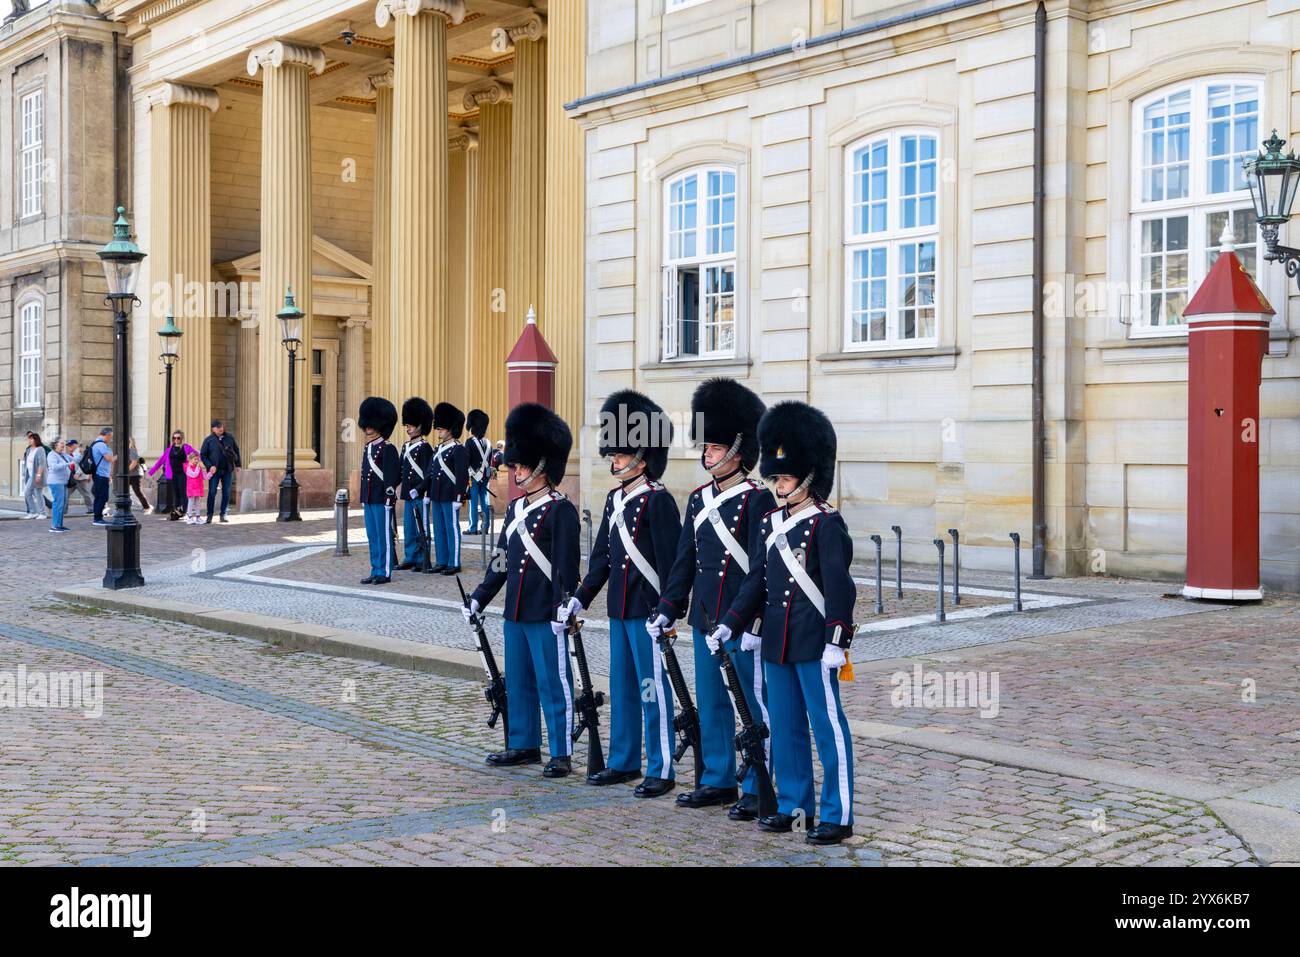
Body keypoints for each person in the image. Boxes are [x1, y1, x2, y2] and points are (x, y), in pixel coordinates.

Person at [708, 401, 857, 846]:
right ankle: (795, 808)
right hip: (776, 641)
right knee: (786, 727)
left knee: (827, 728)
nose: (777, 486)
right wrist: (732, 622)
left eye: (786, 478)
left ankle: (838, 813)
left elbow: (839, 587)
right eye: (775, 478)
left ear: (809, 479)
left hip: (814, 642)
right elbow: (757, 580)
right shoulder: (771, 523)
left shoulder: (828, 524)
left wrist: (838, 638)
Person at [649, 378, 777, 818]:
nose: (707, 454)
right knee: (713, 702)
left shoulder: (760, 500)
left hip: (740, 621)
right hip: (705, 619)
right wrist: (667, 608)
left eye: (715, 447)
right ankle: (718, 778)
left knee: (750, 704)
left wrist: (739, 618)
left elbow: (759, 567)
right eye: (705, 447)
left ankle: (758, 783)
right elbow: (685, 561)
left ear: (738, 451)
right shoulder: (698, 499)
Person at [557, 390, 682, 798]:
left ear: (642, 458)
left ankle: (661, 767)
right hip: (618, 609)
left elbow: (671, 565)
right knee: (625, 687)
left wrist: (667, 611)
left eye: (621, 456)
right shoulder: (614, 499)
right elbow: (601, 561)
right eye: (613, 454)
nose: (613, 461)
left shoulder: (659, 502)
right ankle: (624, 760)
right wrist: (580, 596)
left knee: (652, 689)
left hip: (647, 613)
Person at [464, 403, 580, 777]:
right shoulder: (514, 510)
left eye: (521, 465)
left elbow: (566, 567)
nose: (515, 471)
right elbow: (500, 561)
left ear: (542, 466)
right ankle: (523, 743)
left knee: (552, 682)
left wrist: (566, 607)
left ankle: (560, 751)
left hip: (545, 612)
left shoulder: (561, 510)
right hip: (515, 610)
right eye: (514, 465)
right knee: (518, 681)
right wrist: (480, 596)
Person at [357, 396, 400, 585]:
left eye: (371, 424)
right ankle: (375, 569)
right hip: (369, 497)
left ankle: (385, 571)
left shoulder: (388, 448)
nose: (368, 427)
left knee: (384, 537)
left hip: (382, 499)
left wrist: (390, 498)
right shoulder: (368, 447)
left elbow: (392, 476)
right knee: (372, 536)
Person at [428, 402, 469, 575]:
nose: (438, 430)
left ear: (450, 429)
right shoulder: (438, 449)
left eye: (441, 428)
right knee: (439, 528)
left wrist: (459, 497)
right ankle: (442, 560)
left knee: (452, 529)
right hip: (437, 495)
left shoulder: (458, 449)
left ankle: (454, 561)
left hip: (450, 495)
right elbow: (431, 472)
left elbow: (461, 476)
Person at [396, 398, 434, 571]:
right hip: (408, 493)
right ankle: (410, 556)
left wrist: (420, 490)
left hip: (419, 493)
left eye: (411, 425)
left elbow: (428, 473)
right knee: (409, 527)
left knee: (421, 528)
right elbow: (400, 470)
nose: (408, 428)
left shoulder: (425, 447)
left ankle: (421, 558)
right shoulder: (405, 446)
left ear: (420, 425)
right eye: (407, 425)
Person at [148, 430, 197, 521]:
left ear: (182, 438)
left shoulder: (186, 448)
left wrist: (194, 464)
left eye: (178, 438)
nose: (176, 440)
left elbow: (197, 455)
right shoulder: (170, 449)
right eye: (174, 438)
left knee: (183, 493)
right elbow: (160, 461)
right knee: (176, 493)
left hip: (183, 473)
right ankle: (177, 513)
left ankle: (185, 512)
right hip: (173, 474)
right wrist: (151, 472)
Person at [200, 419, 241, 524]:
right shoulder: (208, 440)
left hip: (227, 469)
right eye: (218, 427)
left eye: (222, 426)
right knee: (212, 492)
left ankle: (223, 514)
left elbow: (236, 451)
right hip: (214, 471)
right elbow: (203, 455)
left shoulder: (230, 437)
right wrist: (209, 466)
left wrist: (238, 465)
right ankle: (209, 515)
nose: (221, 429)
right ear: (213, 429)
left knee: (226, 492)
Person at [465, 409, 492, 534]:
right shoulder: (489, 443)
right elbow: (489, 461)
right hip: (485, 476)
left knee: (473, 501)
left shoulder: (469, 442)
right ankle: (486, 527)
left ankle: (473, 527)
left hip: (473, 476)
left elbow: (467, 461)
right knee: (485, 500)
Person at [88, 427, 116, 526]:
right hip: (101, 474)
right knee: (102, 497)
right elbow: (109, 458)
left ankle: (97, 517)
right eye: (110, 437)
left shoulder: (95, 444)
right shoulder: (101, 445)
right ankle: (98, 518)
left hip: (100, 474)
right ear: (107, 435)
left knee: (100, 496)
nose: (110, 439)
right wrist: (117, 457)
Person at [45, 438, 72, 533]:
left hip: (63, 482)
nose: (63, 445)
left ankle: (59, 525)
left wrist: (77, 452)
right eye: (61, 443)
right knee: (58, 504)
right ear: (55, 444)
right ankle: (54, 526)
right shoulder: (51, 455)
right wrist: (68, 464)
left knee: (62, 504)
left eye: (63, 443)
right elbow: (54, 467)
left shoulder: (63, 455)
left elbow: (75, 460)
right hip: (56, 482)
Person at [19, 432, 47, 519]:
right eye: (29, 439)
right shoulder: (29, 450)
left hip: (37, 475)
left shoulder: (40, 449)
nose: (30, 440)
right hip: (30, 475)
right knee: (27, 492)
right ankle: (33, 512)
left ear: (36, 440)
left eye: (31, 439)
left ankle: (42, 513)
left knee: (38, 493)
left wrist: (38, 475)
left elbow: (41, 464)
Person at [66, 440, 94, 514]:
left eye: (71, 445)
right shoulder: (72, 454)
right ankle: (64, 510)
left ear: (76, 445)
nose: (69, 447)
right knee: (66, 493)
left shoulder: (80, 452)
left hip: (80, 477)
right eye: (68, 445)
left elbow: (83, 464)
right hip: (72, 477)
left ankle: (91, 509)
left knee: (85, 494)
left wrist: (78, 473)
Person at [127, 438, 151, 513]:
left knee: (137, 491)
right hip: (131, 475)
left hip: (134, 475)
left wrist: (125, 471)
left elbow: (134, 463)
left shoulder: (132, 451)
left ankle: (146, 507)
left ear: (132, 443)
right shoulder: (128, 451)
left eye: (128, 442)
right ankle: (130, 506)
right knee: (125, 491)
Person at [183, 451, 207, 525]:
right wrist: (198, 467)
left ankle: (198, 517)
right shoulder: (188, 467)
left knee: (197, 503)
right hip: (191, 488)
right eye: (195, 459)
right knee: (191, 502)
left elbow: (204, 477)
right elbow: (194, 475)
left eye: (197, 459)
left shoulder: (198, 468)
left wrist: (210, 473)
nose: (196, 461)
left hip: (198, 488)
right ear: (190, 460)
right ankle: (189, 517)